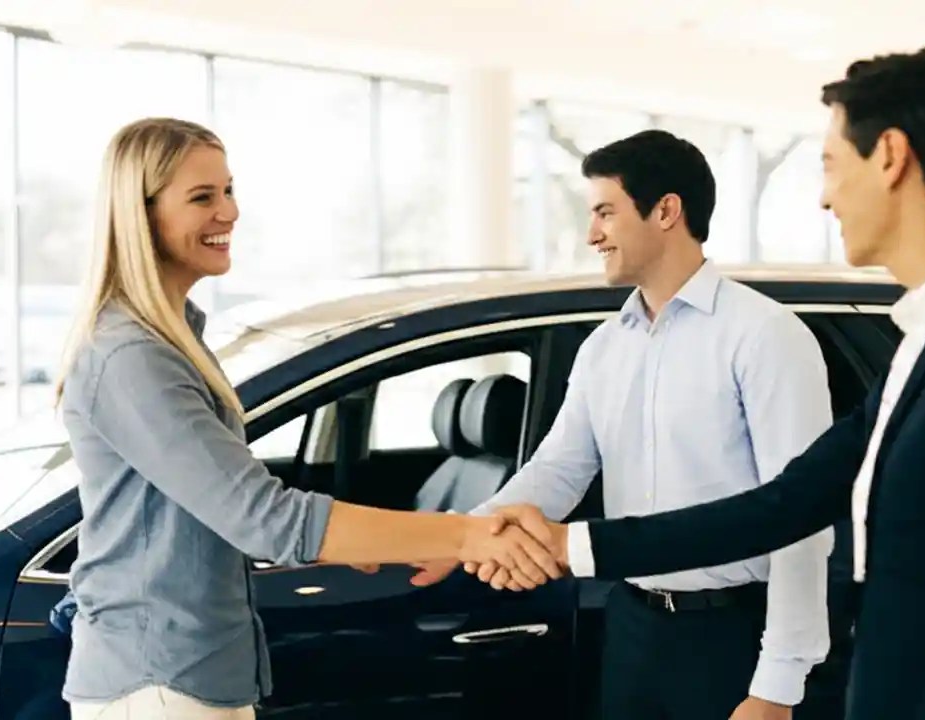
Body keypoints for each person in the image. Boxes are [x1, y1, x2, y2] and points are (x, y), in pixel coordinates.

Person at [485, 47, 925, 720]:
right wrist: (568, 544)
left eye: (830, 164)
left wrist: (778, 682)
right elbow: (784, 505)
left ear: (892, 156)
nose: (824, 195)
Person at [52, 117, 561, 720]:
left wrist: (361, 542)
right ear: (140, 214)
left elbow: (217, 509)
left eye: (228, 190)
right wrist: (467, 534)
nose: (229, 212)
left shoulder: (170, 339)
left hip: (187, 674)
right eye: (202, 197)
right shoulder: (132, 356)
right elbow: (261, 517)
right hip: (159, 685)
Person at [413, 130, 837, 720]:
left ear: (666, 210)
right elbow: (558, 471)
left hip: (734, 637)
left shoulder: (765, 335)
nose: (591, 234)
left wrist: (777, 685)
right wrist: (458, 539)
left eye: (605, 212)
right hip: (633, 626)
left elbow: (801, 519)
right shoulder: (605, 347)